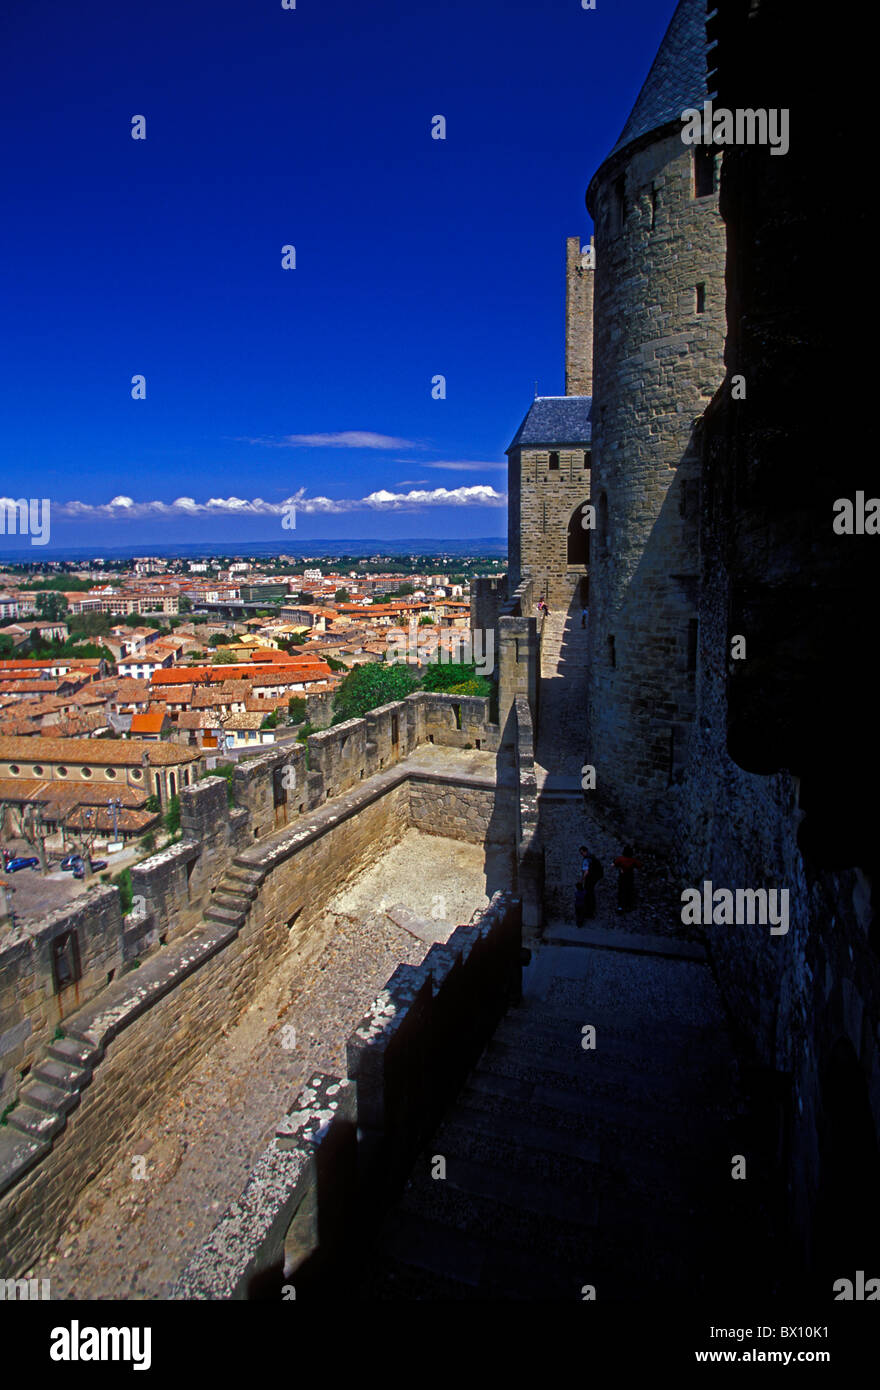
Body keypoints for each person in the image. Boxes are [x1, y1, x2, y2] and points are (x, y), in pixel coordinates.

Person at [613, 844, 641, 912]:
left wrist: (618, 866)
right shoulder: (633, 860)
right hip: (630, 877)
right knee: (629, 891)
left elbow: (613, 864)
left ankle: (620, 906)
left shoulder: (620, 859)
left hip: (622, 877)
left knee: (621, 891)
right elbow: (639, 866)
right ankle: (628, 906)